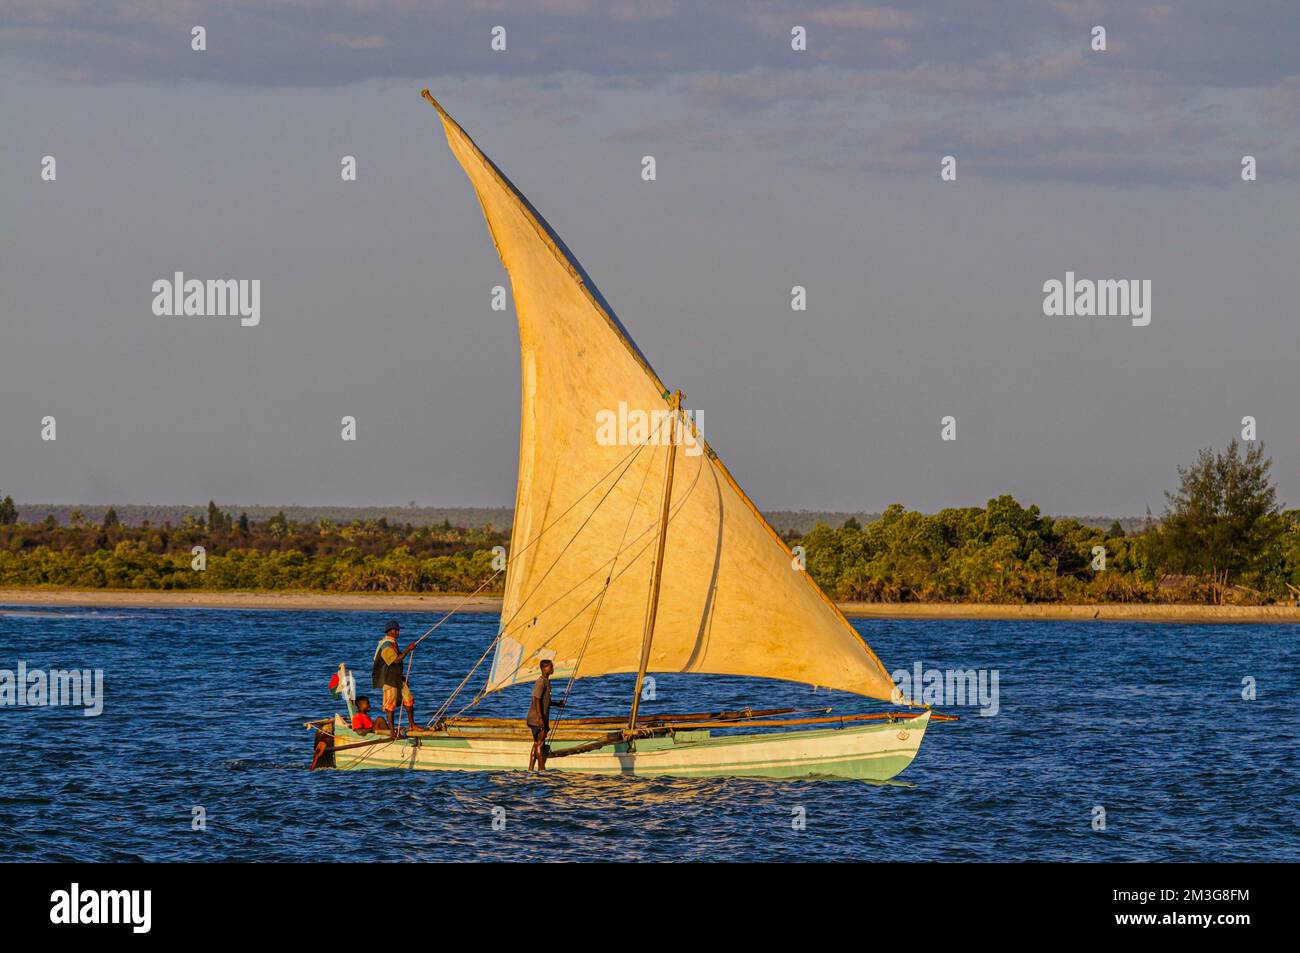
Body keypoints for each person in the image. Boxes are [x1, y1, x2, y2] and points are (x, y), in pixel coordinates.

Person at [371, 620, 416, 736]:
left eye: (398, 630)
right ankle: (392, 731)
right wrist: (408, 649)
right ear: (389, 631)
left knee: (409, 699)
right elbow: (395, 660)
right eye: (395, 630)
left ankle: (412, 725)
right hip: (389, 679)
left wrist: (403, 678)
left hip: (398, 678)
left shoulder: (393, 643)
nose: (397, 632)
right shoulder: (386, 645)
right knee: (390, 705)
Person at [526, 659, 565, 771]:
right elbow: (536, 699)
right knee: (540, 744)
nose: (552, 669)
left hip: (538, 718)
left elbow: (545, 701)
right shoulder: (541, 682)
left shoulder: (547, 682)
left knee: (536, 744)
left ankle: (531, 769)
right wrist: (541, 718)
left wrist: (557, 704)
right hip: (537, 719)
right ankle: (542, 769)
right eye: (550, 667)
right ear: (544, 669)